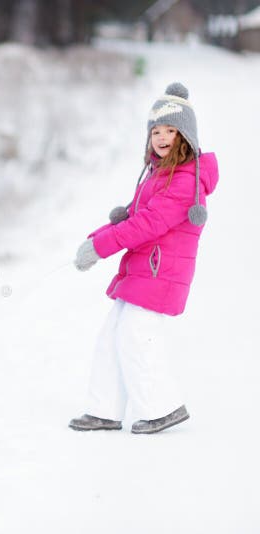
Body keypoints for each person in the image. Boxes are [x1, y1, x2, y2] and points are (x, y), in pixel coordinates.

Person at [70, 82, 218, 434]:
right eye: (156, 131)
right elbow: (132, 214)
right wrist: (94, 241)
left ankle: (162, 407)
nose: (162, 137)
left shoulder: (185, 181)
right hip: (144, 270)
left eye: (170, 130)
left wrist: (101, 247)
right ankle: (103, 410)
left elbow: (146, 224)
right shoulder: (159, 174)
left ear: (185, 136)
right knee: (112, 335)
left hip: (160, 271)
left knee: (135, 334)